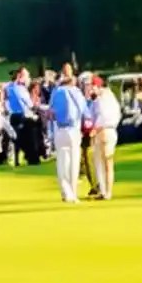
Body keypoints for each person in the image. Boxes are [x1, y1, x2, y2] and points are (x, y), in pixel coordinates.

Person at [49, 73, 89, 203]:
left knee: (62, 162)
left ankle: (65, 192)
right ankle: (73, 192)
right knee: (74, 162)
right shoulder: (76, 92)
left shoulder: (56, 92)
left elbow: (51, 112)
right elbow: (85, 111)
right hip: (73, 129)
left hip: (60, 129)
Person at [86, 76, 121, 201]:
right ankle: (103, 190)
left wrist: (95, 128)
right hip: (103, 131)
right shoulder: (99, 99)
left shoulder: (104, 98)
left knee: (106, 162)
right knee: (99, 162)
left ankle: (108, 192)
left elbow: (103, 116)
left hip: (105, 130)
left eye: (92, 86)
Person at [5, 67, 39, 165]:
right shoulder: (19, 88)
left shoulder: (9, 87)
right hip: (22, 116)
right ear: (20, 76)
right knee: (29, 137)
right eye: (26, 76)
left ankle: (17, 159)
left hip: (14, 115)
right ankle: (31, 157)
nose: (28, 78)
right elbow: (28, 104)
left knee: (17, 139)